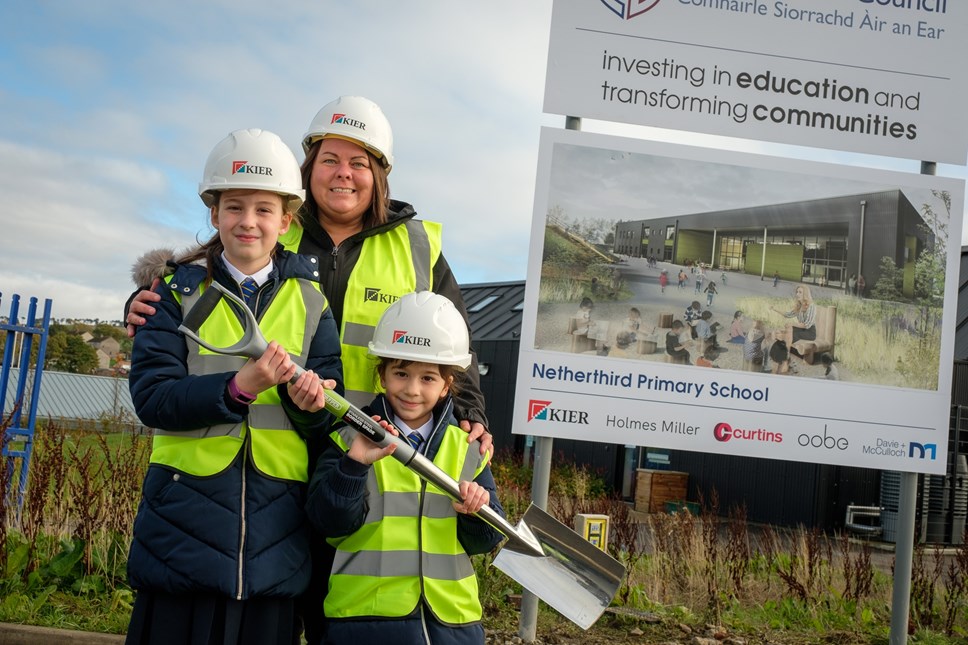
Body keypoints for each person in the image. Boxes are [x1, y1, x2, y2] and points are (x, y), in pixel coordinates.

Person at [124, 96, 492, 448]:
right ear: (309, 168)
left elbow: (457, 342)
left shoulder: (416, 247)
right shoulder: (272, 225)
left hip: (369, 443)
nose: (343, 173)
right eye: (329, 160)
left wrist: (469, 409)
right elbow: (203, 277)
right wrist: (144, 303)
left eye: (359, 163)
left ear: (378, 175)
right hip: (285, 445)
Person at [124, 129, 343, 645]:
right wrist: (238, 388)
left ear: (286, 220)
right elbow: (152, 399)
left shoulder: (312, 303)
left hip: (275, 530)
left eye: (264, 209)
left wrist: (311, 406)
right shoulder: (175, 291)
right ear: (214, 214)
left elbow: (326, 415)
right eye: (234, 207)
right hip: (182, 527)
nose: (248, 221)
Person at [305, 292, 504, 645]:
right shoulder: (346, 440)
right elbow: (327, 524)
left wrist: (476, 511)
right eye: (401, 373)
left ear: (447, 387)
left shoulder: (469, 449)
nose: (412, 390)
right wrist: (354, 465)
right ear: (382, 376)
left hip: (452, 626)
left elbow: (486, 539)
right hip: (364, 623)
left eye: (428, 378)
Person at [770, 284, 817, 365]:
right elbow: (787, 314)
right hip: (801, 329)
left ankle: (783, 356)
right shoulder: (799, 306)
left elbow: (806, 325)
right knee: (786, 332)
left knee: (793, 335)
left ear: (805, 294)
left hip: (810, 332)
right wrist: (774, 309)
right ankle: (776, 354)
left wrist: (792, 324)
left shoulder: (811, 306)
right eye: (797, 292)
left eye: (800, 292)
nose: (797, 294)